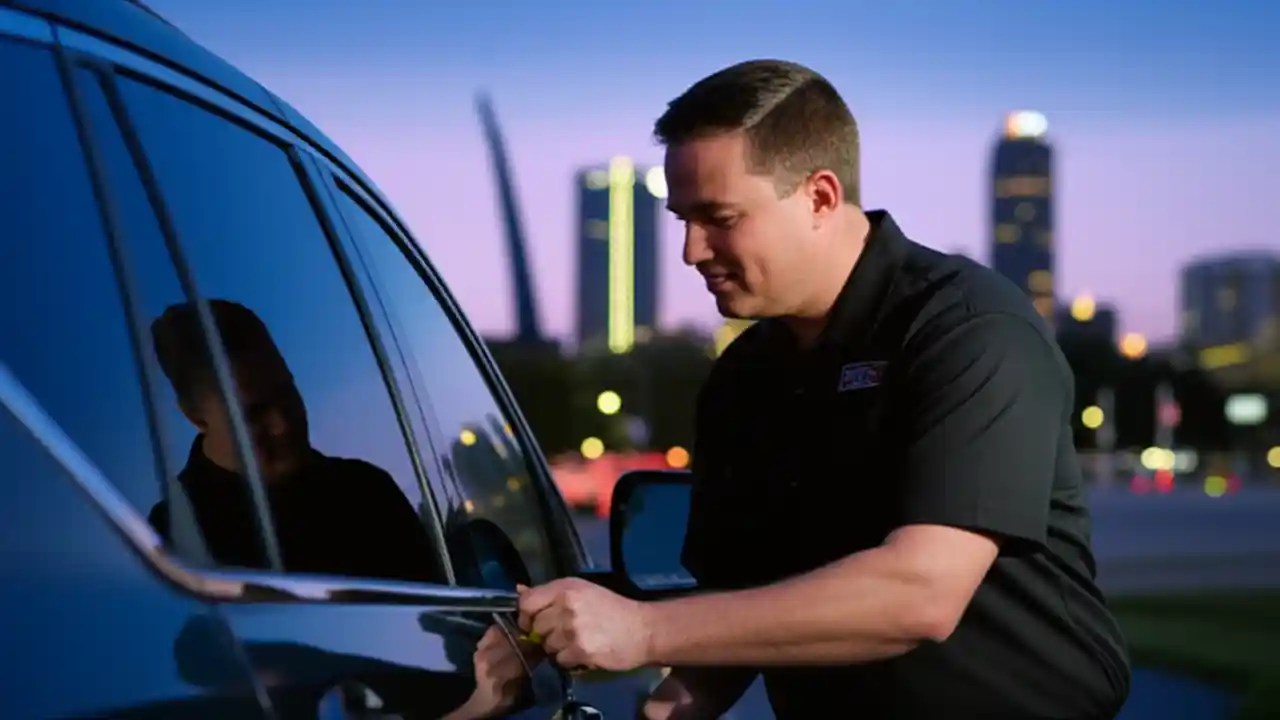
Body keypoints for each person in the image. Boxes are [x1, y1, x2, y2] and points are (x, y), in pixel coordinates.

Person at [517, 59, 1131, 719]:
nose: (692, 251)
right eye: (682, 220)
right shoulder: (742, 378)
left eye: (719, 217)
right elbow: (740, 608)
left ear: (819, 197)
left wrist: (641, 630)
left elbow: (919, 594)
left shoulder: (969, 329)